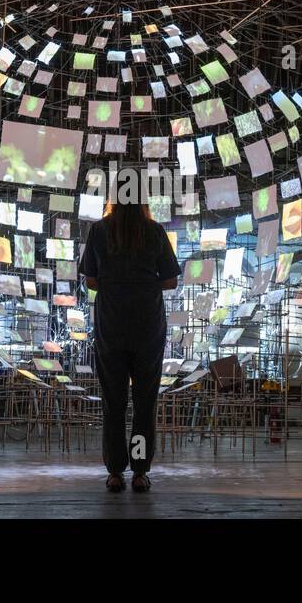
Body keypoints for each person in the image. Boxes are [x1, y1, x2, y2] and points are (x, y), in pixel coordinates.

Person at [78, 202, 180, 493]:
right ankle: (139, 472)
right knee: (145, 403)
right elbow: (171, 280)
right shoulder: (155, 231)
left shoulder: (99, 231)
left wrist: (118, 283)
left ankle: (114, 473)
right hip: (147, 325)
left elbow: (92, 280)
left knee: (114, 402)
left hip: (111, 325)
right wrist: (144, 283)